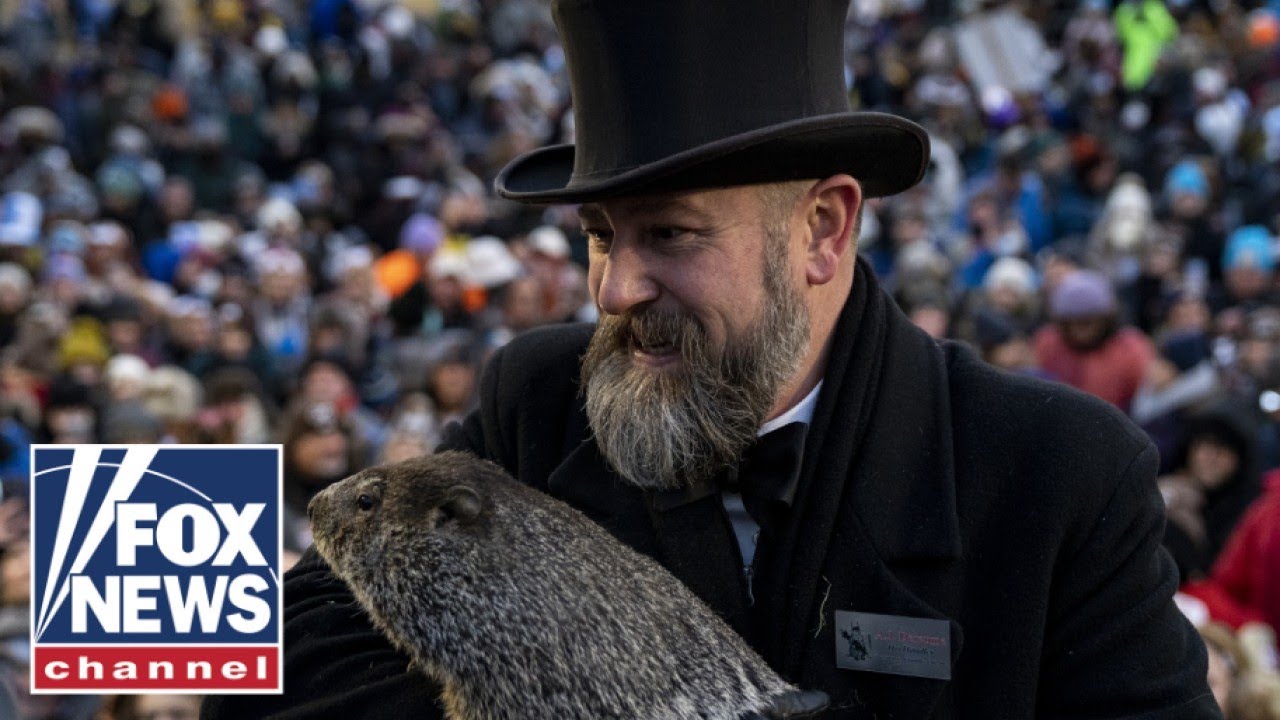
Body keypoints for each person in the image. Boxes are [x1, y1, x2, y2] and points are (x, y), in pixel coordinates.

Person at [204, 2, 1218, 718]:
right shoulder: (538, 402)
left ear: (822, 228)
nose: (612, 288)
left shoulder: (1057, 471)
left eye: (672, 235)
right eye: (600, 233)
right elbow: (280, 662)